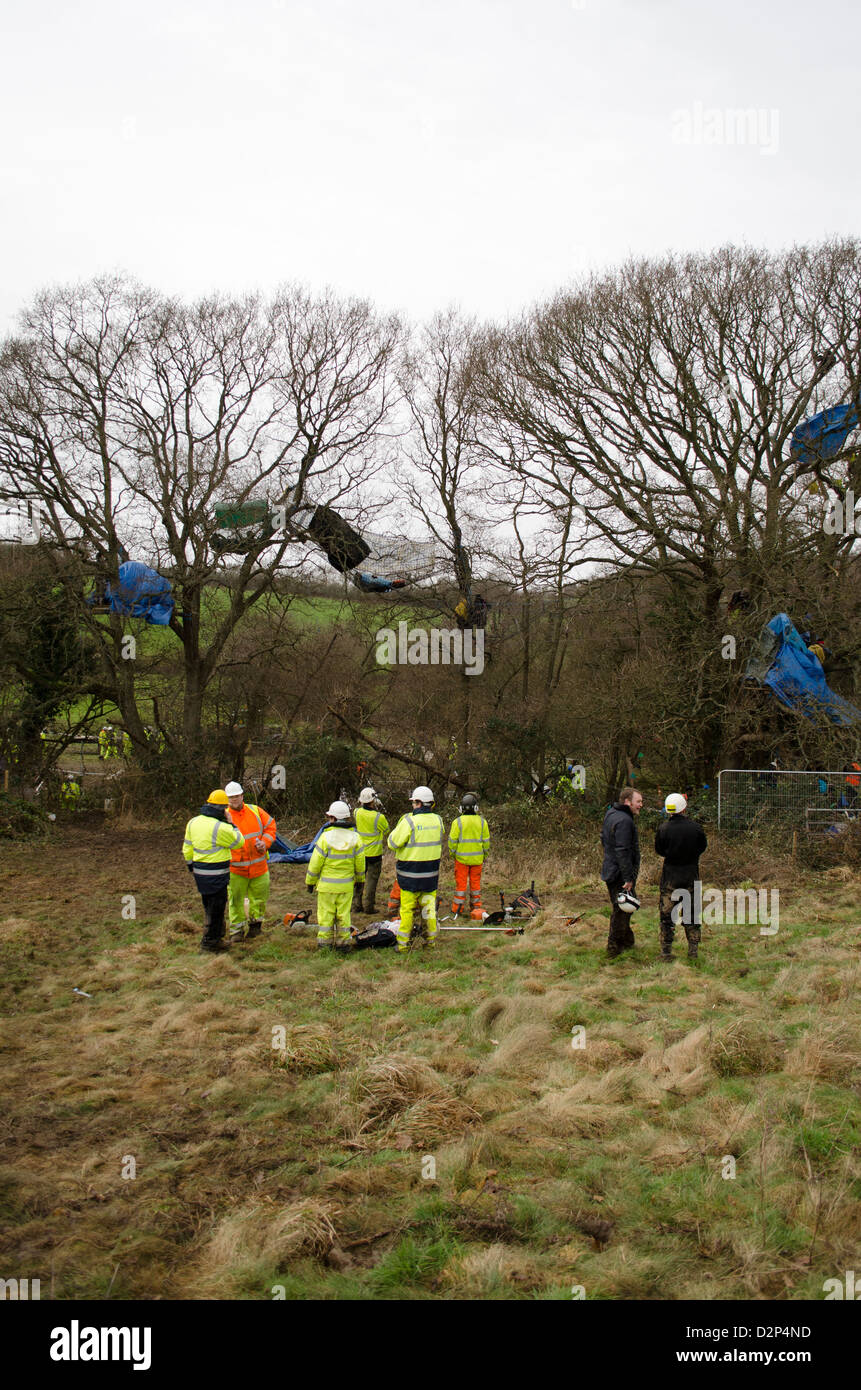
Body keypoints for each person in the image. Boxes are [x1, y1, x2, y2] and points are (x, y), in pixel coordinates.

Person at [182, 790, 244, 953]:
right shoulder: (221, 827)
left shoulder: (193, 822)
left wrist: (191, 867)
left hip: (200, 874)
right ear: (223, 809)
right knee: (216, 909)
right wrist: (231, 823)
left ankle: (215, 938)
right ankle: (210, 942)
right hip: (217, 875)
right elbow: (239, 841)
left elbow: (187, 848)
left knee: (208, 905)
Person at [387, 786, 444, 953]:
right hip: (430, 876)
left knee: (407, 911)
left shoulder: (409, 822)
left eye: (413, 802)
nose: (412, 805)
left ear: (419, 803)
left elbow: (392, 843)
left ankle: (403, 945)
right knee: (428, 911)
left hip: (409, 877)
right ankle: (430, 943)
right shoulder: (438, 820)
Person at [654, 793, 708, 962]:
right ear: (684, 808)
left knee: (667, 915)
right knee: (692, 914)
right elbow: (702, 846)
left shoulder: (663, 829)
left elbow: (659, 850)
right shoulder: (696, 828)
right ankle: (693, 951)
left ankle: (666, 951)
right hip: (691, 874)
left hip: (670, 876)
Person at [305, 801, 365, 950]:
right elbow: (360, 864)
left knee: (326, 915)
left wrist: (310, 882)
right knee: (344, 915)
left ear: (332, 818)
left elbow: (315, 863)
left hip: (326, 887)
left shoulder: (325, 838)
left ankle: (324, 944)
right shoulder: (356, 838)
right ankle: (343, 944)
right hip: (346, 887)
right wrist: (360, 881)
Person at [223, 780, 277, 943]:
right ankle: (236, 932)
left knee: (259, 899)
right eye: (231, 797)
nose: (234, 800)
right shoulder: (224, 817)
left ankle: (255, 928)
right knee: (236, 900)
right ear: (227, 799)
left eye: (237, 796)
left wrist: (265, 843)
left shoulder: (255, 811)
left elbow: (271, 827)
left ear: (242, 795)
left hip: (259, 866)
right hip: (236, 869)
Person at [600, 786, 643, 958]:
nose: (641, 805)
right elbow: (623, 850)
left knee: (626, 907)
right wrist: (628, 878)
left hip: (611, 868)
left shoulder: (611, 814)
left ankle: (627, 940)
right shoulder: (625, 821)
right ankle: (613, 947)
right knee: (622, 909)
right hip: (619, 873)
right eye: (638, 801)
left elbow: (603, 838)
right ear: (627, 802)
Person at [448, 792, 490, 918]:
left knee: (460, 886)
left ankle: (457, 909)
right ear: (476, 807)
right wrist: (484, 855)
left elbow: (452, 842)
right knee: (475, 885)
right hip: (477, 860)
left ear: (461, 808)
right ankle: (476, 908)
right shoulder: (482, 822)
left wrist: (453, 854)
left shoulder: (457, 822)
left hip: (461, 860)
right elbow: (486, 842)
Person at [353, 787, 389, 916]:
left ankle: (356, 905)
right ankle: (369, 906)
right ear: (373, 800)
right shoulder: (379, 817)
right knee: (371, 881)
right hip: (374, 854)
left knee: (358, 879)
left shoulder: (357, 812)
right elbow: (386, 830)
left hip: (359, 852)